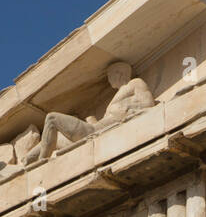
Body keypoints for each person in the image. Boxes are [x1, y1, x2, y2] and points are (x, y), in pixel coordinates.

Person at [24, 62, 155, 164]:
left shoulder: (134, 83)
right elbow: (106, 122)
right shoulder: (117, 99)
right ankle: (27, 162)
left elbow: (148, 103)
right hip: (93, 130)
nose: (109, 80)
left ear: (119, 74)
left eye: (110, 76)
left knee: (51, 118)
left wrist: (126, 110)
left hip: (92, 132)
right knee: (56, 137)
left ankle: (42, 162)